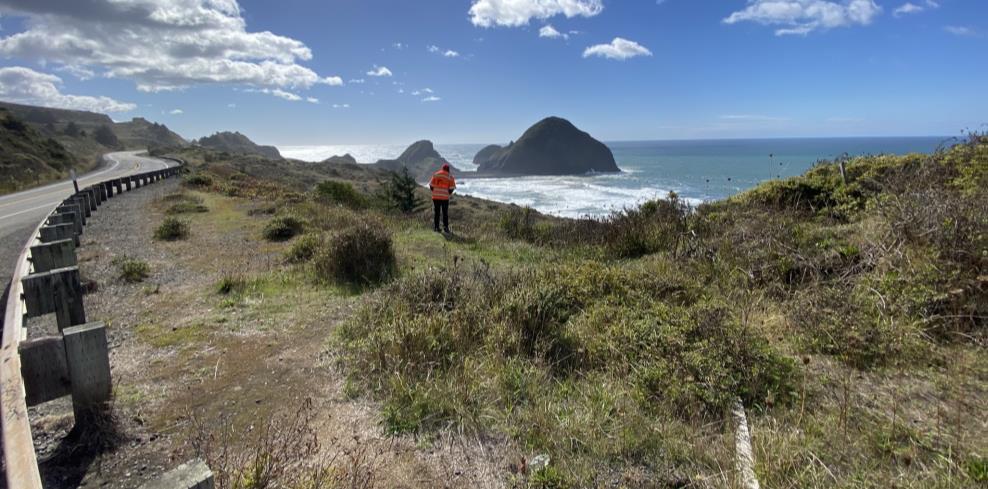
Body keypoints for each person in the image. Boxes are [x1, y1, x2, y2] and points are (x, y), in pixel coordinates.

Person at [429, 163, 456, 233]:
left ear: (442, 169)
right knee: (445, 213)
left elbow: (431, 185)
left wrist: (435, 191)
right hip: (445, 197)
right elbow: (452, 188)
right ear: (448, 170)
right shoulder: (450, 177)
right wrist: (448, 193)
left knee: (437, 213)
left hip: (435, 197)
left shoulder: (436, 174)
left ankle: (436, 228)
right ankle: (446, 228)